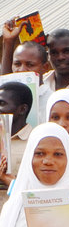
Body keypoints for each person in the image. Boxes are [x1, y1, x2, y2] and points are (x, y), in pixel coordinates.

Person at [0, 80, 35, 209]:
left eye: (2, 104)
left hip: (19, 216)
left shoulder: (35, 142)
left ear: (22, 109)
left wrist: (10, 181)